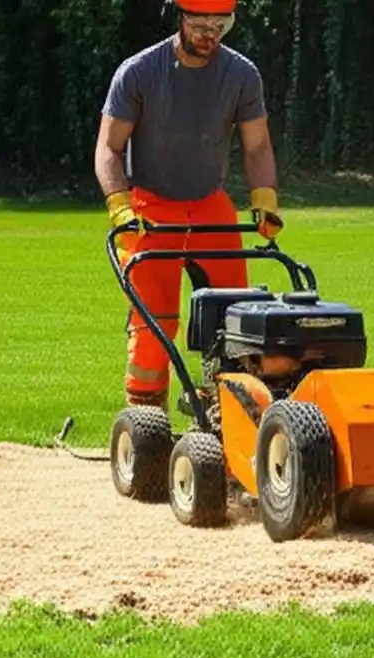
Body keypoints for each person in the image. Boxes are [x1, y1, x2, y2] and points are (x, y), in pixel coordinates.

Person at [94, 0, 283, 411]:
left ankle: (227, 409)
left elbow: (258, 147)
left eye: (220, 24)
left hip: (210, 206)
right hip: (150, 208)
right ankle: (146, 420)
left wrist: (264, 199)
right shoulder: (140, 73)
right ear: (177, 16)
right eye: (199, 24)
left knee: (238, 316)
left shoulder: (241, 76)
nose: (209, 34)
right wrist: (120, 207)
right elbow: (109, 148)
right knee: (154, 323)